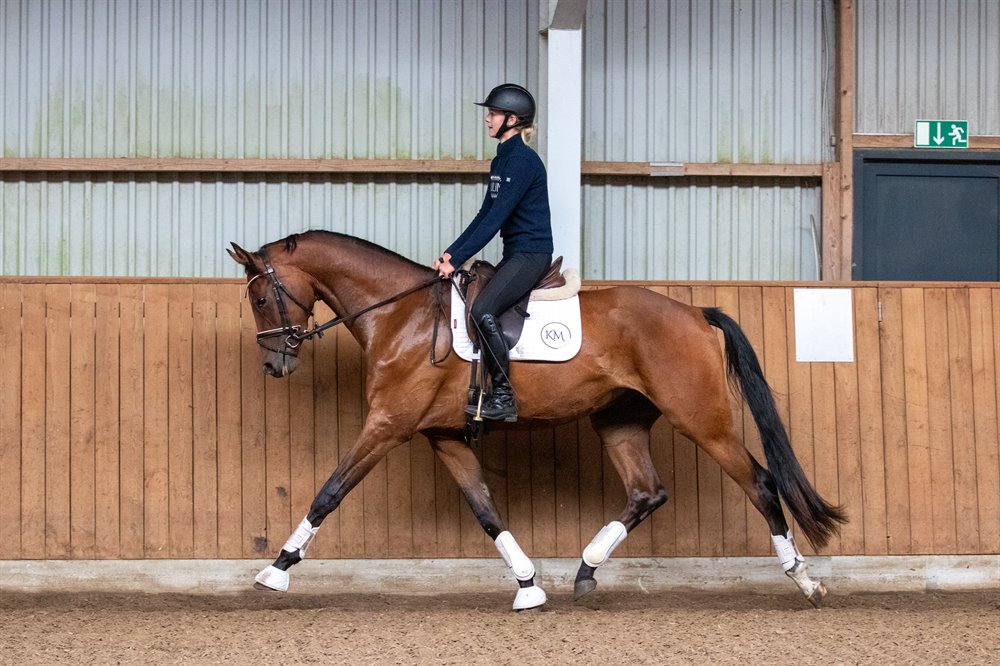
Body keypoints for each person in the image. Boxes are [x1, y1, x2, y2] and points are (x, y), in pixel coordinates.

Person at [433, 83, 554, 422]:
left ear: (512, 119)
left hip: (531, 254)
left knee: (483, 308)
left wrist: (456, 259)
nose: (487, 120)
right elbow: (484, 215)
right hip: (515, 253)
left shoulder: (523, 162)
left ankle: (503, 395)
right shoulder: (503, 159)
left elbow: (496, 219)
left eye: (493, 114)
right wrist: (451, 253)